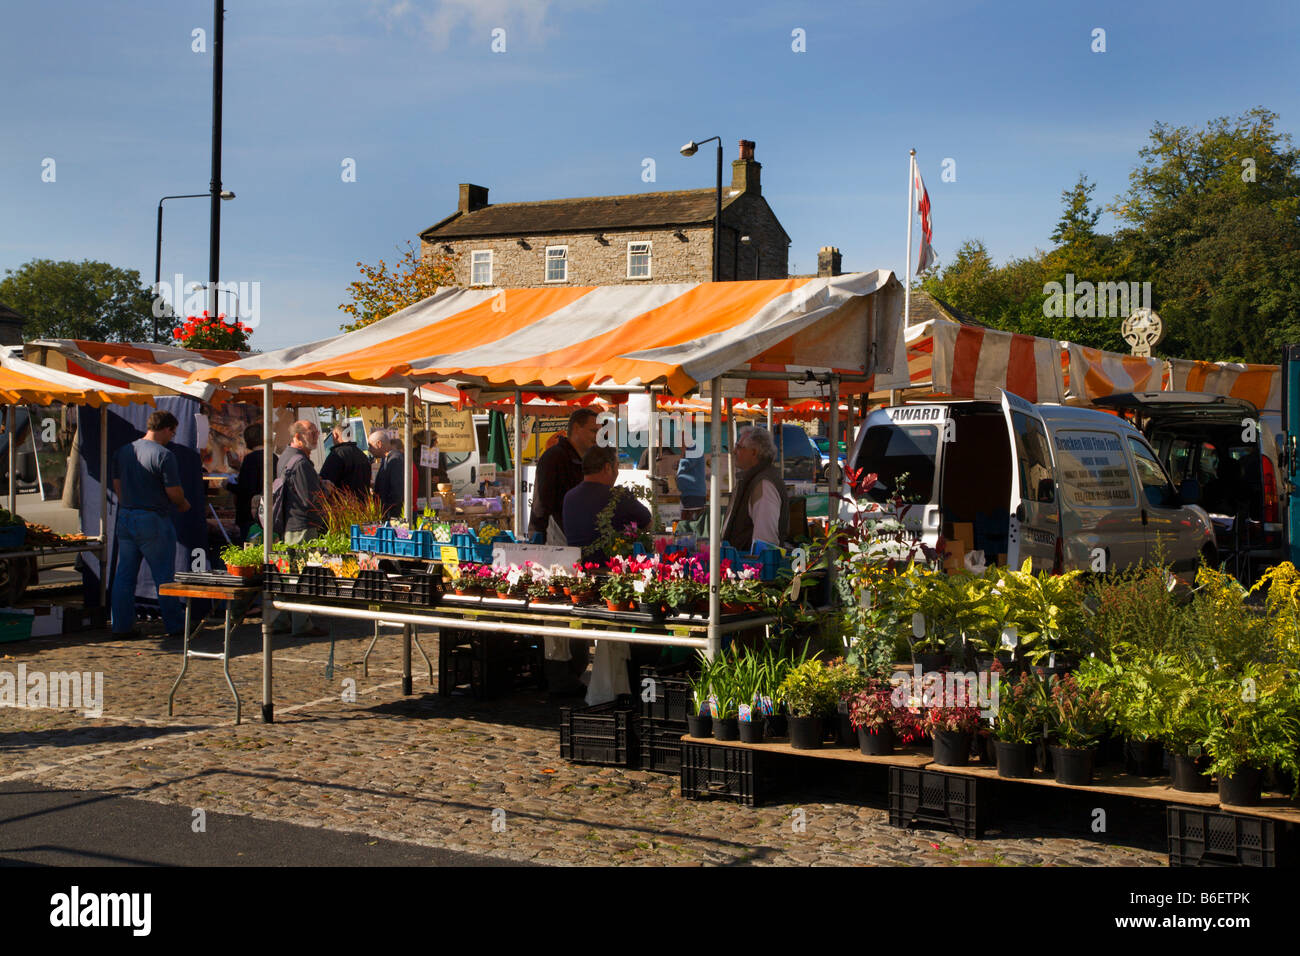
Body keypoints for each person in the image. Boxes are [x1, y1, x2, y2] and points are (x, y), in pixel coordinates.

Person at [111, 409, 191, 639]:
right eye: (172, 433)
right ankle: (175, 626)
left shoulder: (123, 451)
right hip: (153, 519)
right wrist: (184, 504)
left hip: (126, 516)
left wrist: (129, 503)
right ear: (166, 429)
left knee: (124, 576)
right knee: (164, 576)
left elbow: (117, 485)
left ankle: (121, 626)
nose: (172, 437)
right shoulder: (164, 455)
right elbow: (173, 491)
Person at [273, 420, 328, 637]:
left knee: (289, 575)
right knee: (303, 576)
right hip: (302, 526)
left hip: (289, 524)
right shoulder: (301, 463)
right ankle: (301, 624)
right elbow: (310, 499)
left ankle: (282, 620)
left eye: (316, 432)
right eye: (310, 432)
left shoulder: (285, 458)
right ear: (297, 436)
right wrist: (325, 489)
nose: (315, 435)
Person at [563, 446, 652, 562]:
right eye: (617, 466)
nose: (618, 471)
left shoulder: (569, 497)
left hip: (578, 571)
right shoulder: (619, 496)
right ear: (607, 468)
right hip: (610, 572)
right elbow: (648, 523)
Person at [529, 407, 599, 543]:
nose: (597, 436)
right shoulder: (554, 457)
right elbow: (541, 503)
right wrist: (537, 538)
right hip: (557, 538)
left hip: (577, 538)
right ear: (577, 428)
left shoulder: (586, 460)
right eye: (593, 431)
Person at [721, 426, 790, 551]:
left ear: (754, 452)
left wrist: (752, 567)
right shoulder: (752, 480)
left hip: (751, 566)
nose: (734, 451)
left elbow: (765, 541)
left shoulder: (764, 484)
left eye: (739, 447)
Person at [229, 423, 278, 543]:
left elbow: (245, 489)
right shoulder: (274, 457)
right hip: (270, 513)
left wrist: (228, 485)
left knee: (251, 551)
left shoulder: (250, 459)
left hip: (251, 516)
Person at [320, 421, 371, 499]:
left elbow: (325, 482)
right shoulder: (362, 455)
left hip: (343, 507)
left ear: (335, 435)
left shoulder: (337, 455)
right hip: (363, 507)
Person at [372, 429, 405, 519]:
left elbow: (397, 490)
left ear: (379, 444)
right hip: (387, 513)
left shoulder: (395, 460)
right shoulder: (386, 459)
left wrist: (388, 510)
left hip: (393, 515)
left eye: (371, 446)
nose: (369, 449)